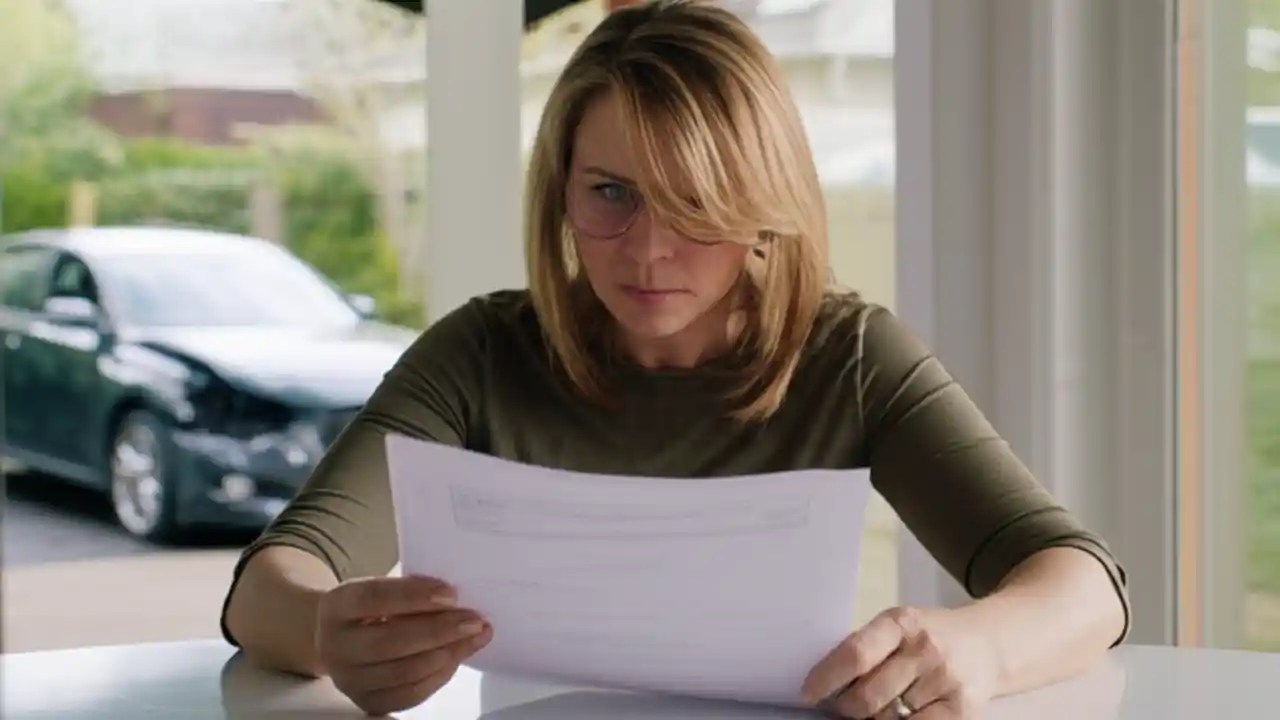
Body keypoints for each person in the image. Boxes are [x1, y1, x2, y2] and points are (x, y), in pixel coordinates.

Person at [221, 1, 1130, 717]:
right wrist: (324, 630)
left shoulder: (848, 355)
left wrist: (978, 648)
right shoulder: (483, 352)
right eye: (610, 193)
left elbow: (1084, 583)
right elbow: (270, 583)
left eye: (695, 202)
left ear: (762, 203)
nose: (648, 251)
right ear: (560, 193)